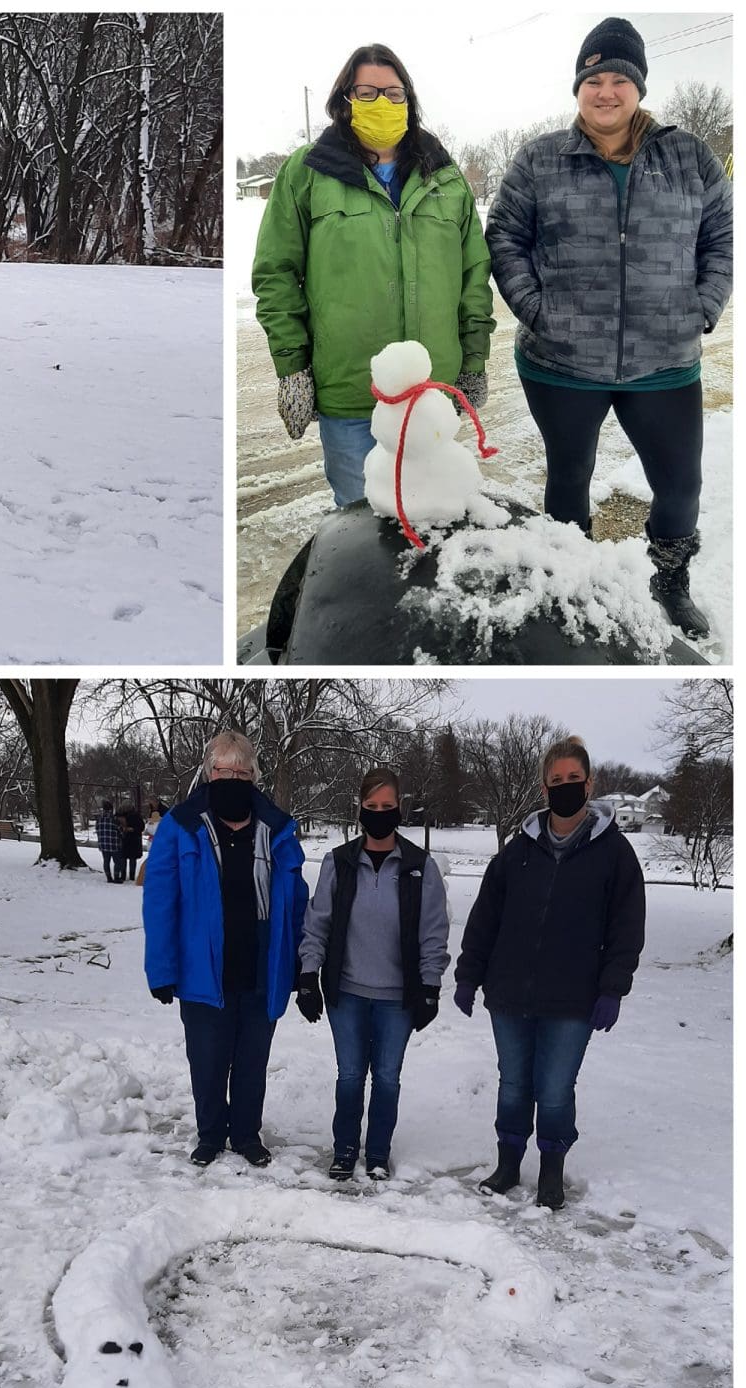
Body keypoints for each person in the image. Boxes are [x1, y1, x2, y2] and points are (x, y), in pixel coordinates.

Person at [484, 17, 732, 639]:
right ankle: (570, 582)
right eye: (594, 80)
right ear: (578, 88)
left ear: (639, 87)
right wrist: (538, 310)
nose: (606, 91)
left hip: (665, 363)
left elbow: (722, 237)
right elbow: (504, 237)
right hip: (561, 363)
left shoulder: (688, 157)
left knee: (681, 485)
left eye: (620, 79)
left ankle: (669, 580)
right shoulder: (540, 159)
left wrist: (702, 306)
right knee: (569, 476)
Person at [252, 44, 493, 508]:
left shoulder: (445, 178)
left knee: (432, 517)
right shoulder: (308, 172)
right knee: (360, 522)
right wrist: (292, 367)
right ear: (345, 99)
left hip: (431, 394)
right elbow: (275, 273)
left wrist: (474, 360)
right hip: (351, 393)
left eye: (394, 93)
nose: (382, 103)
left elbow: (474, 276)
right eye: (367, 92)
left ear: (409, 100)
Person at [454, 736, 646, 1210]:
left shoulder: (614, 853)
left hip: (573, 999)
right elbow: (485, 917)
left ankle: (552, 1170)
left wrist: (612, 989)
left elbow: (626, 927)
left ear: (589, 784)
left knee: (556, 1089)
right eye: (556, 780)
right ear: (544, 788)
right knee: (514, 1084)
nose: (565, 786)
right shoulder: (518, 851)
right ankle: (508, 1163)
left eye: (573, 779)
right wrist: (468, 974)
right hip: (510, 992)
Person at [142, 732, 308, 1167]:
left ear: (254, 777)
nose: (233, 779)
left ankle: (247, 1135)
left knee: (252, 1061)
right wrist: (161, 969)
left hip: (261, 964)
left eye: (242, 772)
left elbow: (295, 902)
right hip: (202, 968)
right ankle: (211, 1134)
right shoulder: (180, 826)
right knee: (208, 1061)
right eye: (224, 771)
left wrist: (297, 963)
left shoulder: (278, 828)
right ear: (208, 773)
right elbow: (160, 902)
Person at [296, 768, 450, 1180]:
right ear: (360, 808)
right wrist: (308, 976)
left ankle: (378, 1153)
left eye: (387, 806)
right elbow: (318, 923)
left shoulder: (420, 866)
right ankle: (345, 1149)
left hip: (397, 998)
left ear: (399, 808)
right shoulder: (339, 862)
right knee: (350, 1076)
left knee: (386, 1078)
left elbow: (433, 932)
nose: (379, 813)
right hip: (347, 992)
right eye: (371, 806)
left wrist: (430, 986)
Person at [95, 800, 125, 884]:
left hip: (103, 844)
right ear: (111, 809)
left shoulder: (99, 819)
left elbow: (97, 829)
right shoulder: (114, 819)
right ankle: (116, 877)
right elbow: (121, 831)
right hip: (114, 844)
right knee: (117, 862)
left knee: (106, 861)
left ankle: (109, 877)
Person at [120, 804, 146, 884]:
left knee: (124, 858)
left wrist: (127, 829)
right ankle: (131, 875)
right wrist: (134, 829)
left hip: (125, 840)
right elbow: (142, 827)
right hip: (134, 841)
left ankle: (124, 875)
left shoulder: (121, 816)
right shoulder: (137, 816)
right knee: (132, 859)